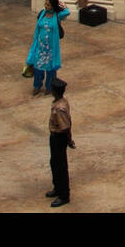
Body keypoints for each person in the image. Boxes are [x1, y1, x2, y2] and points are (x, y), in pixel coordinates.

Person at [26, 0, 70, 97]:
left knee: (50, 69)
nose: (46, 7)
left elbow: (67, 11)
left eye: (49, 5)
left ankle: (49, 87)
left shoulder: (57, 15)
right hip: (40, 47)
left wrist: (60, 3)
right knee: (37, 67)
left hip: (51, 48)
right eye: (45, 4)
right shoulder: (42, 14)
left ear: (54, 6)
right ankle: (37, 86)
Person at [46, 79, 75, 207]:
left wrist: (69, 140)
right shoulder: (60, 101)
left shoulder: (60, 107)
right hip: (55, 136)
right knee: (54, 163)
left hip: (59, 137)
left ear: (55, 92)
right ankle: (57, 187)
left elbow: (66, 127)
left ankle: (64, 195)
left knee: (61, 166)